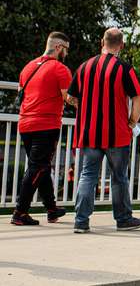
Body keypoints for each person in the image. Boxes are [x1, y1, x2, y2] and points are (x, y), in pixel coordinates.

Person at [67, 28, 140, 233]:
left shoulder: (85, 66)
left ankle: (81, 221)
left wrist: (85, 108)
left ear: (102, 42)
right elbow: (139, 99)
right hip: (117, 134)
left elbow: (70, 97)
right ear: (121, 45)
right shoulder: (124, 69)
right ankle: (123, 219)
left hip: (89, 132)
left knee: (87, 176)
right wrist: (131, 121)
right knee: (119, 177)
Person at [11, 31, 72, 226]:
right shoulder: (60, 69)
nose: (67, 54)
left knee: (42, 166)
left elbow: (21, 93)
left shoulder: (28, 67)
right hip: (46, 125)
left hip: (25, 124)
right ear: (59, 47)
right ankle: (20, 212)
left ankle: (51, 209)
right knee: (38, 166)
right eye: (66, 50)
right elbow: (68, 98)